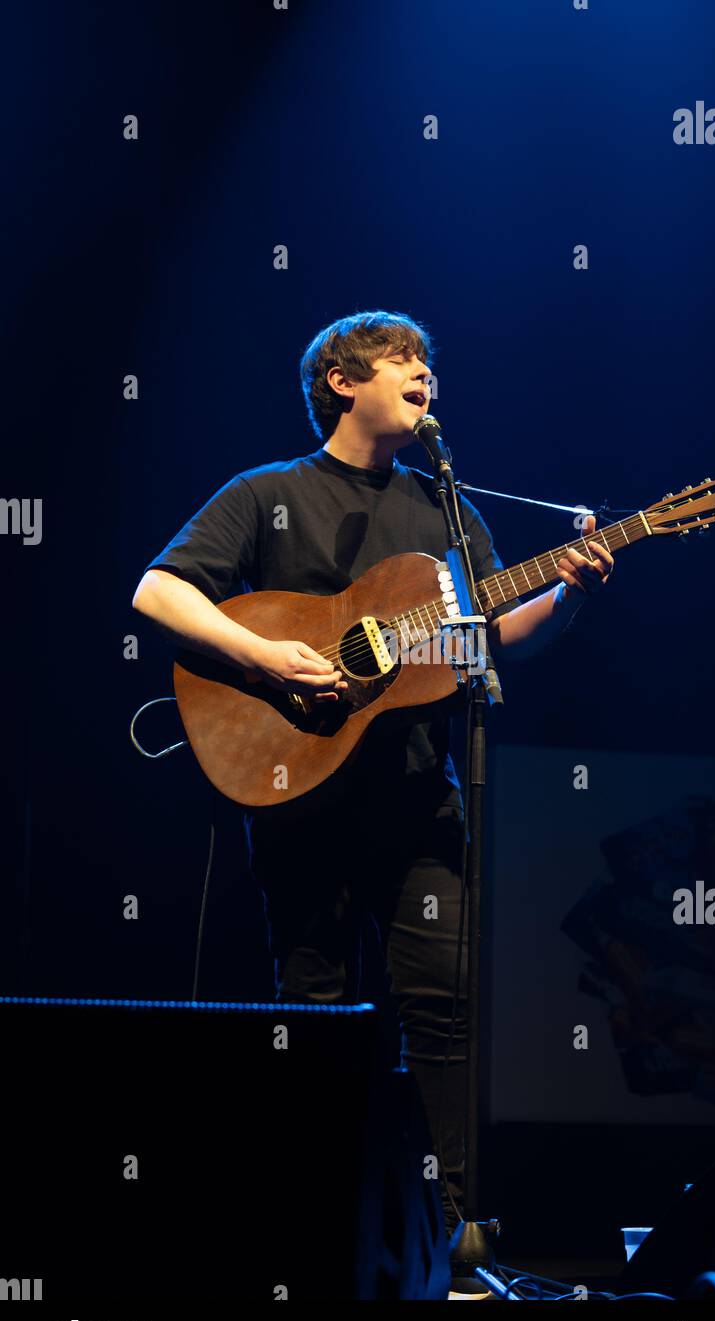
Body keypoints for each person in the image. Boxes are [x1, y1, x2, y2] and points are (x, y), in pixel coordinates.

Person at [132, 309, 614, 1236]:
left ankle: (448, 1228)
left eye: (429, 363)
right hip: (297, 784)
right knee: (311, 1002)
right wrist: (267, 658)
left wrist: (569, 593)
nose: (425, 373)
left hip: (418, 794)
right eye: (403, 360)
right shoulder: (267, 491)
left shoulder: (444, 507)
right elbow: (159, 590)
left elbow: (493, 637)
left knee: (441, 1008)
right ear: (343, 383)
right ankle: (311, 1219)